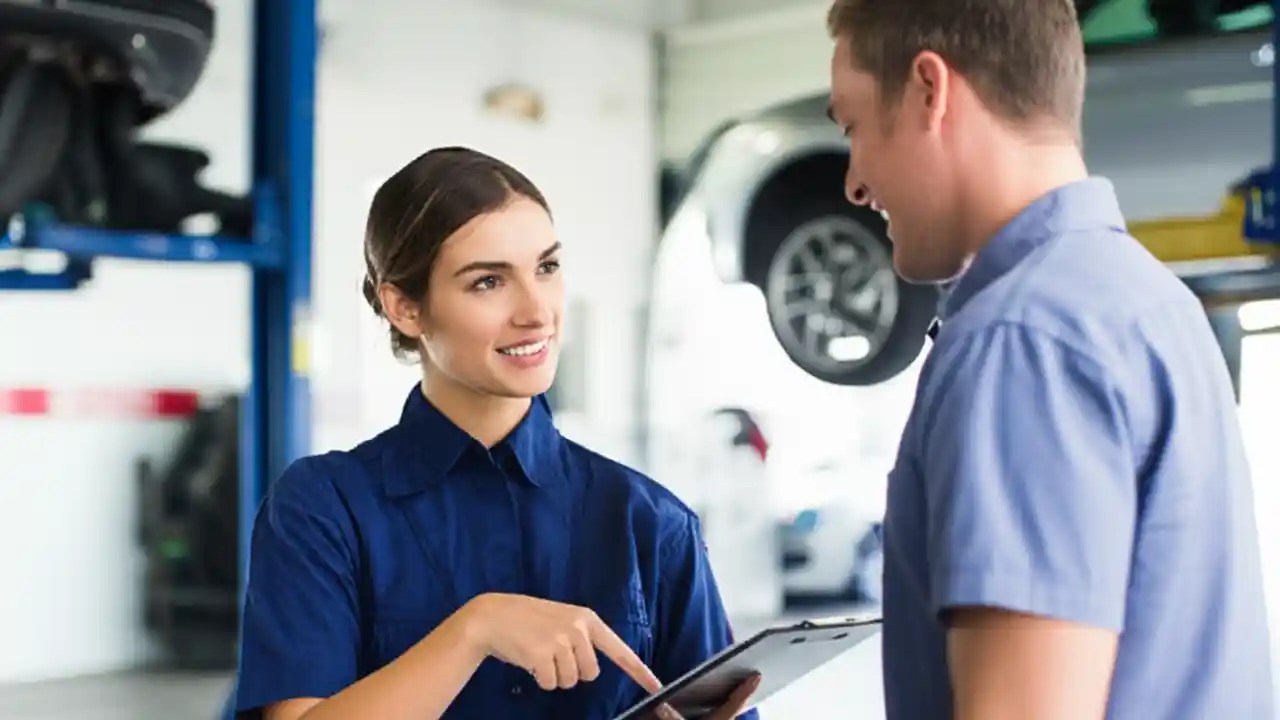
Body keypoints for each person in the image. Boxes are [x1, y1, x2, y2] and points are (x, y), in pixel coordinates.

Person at [824, 1, 1274, 718]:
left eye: (851, 126)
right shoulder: (1149, 301)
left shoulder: (1023, 340)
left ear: (928, 90)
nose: (853, 180)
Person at [231, 146, 759, 720]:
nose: (537, 311)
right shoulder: (323, 508)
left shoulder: (650, 524)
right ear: (405, 307)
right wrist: (473, 632)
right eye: (488, 282)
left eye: (547, 268)